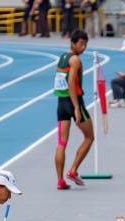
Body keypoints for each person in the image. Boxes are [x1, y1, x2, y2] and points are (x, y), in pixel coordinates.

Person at [54, 30, 93, 190]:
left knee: (62, 142)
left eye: (85, 44)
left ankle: (60, 181)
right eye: (80, 44)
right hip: (73, 101)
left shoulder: (63, 57)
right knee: (89, 137)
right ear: (72, 43)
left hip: (61, 103)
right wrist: (77, 108)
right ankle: (73, 170)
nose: (83, 47)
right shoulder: (75, 60)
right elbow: (71, 83)